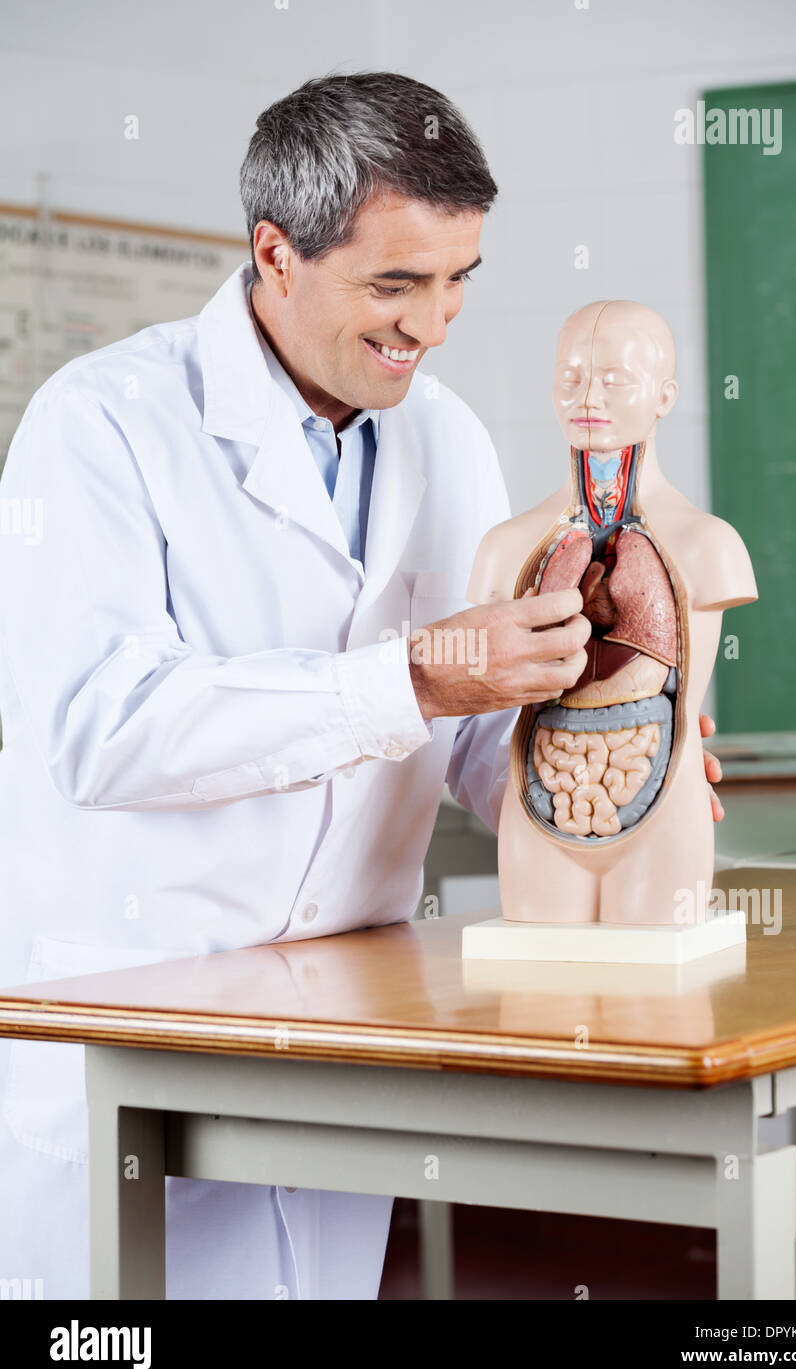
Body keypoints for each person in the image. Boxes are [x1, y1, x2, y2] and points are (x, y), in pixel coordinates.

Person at [0, 71, 723, 1300]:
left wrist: (585, 770)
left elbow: (463, 738)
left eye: (457, 280)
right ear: (275, 255)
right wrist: (425, 680)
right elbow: (99, 728)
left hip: (340, 1034)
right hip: (124, 1029)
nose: (432, 324)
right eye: (394, 284)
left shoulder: (440, 434)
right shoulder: (103, 424)